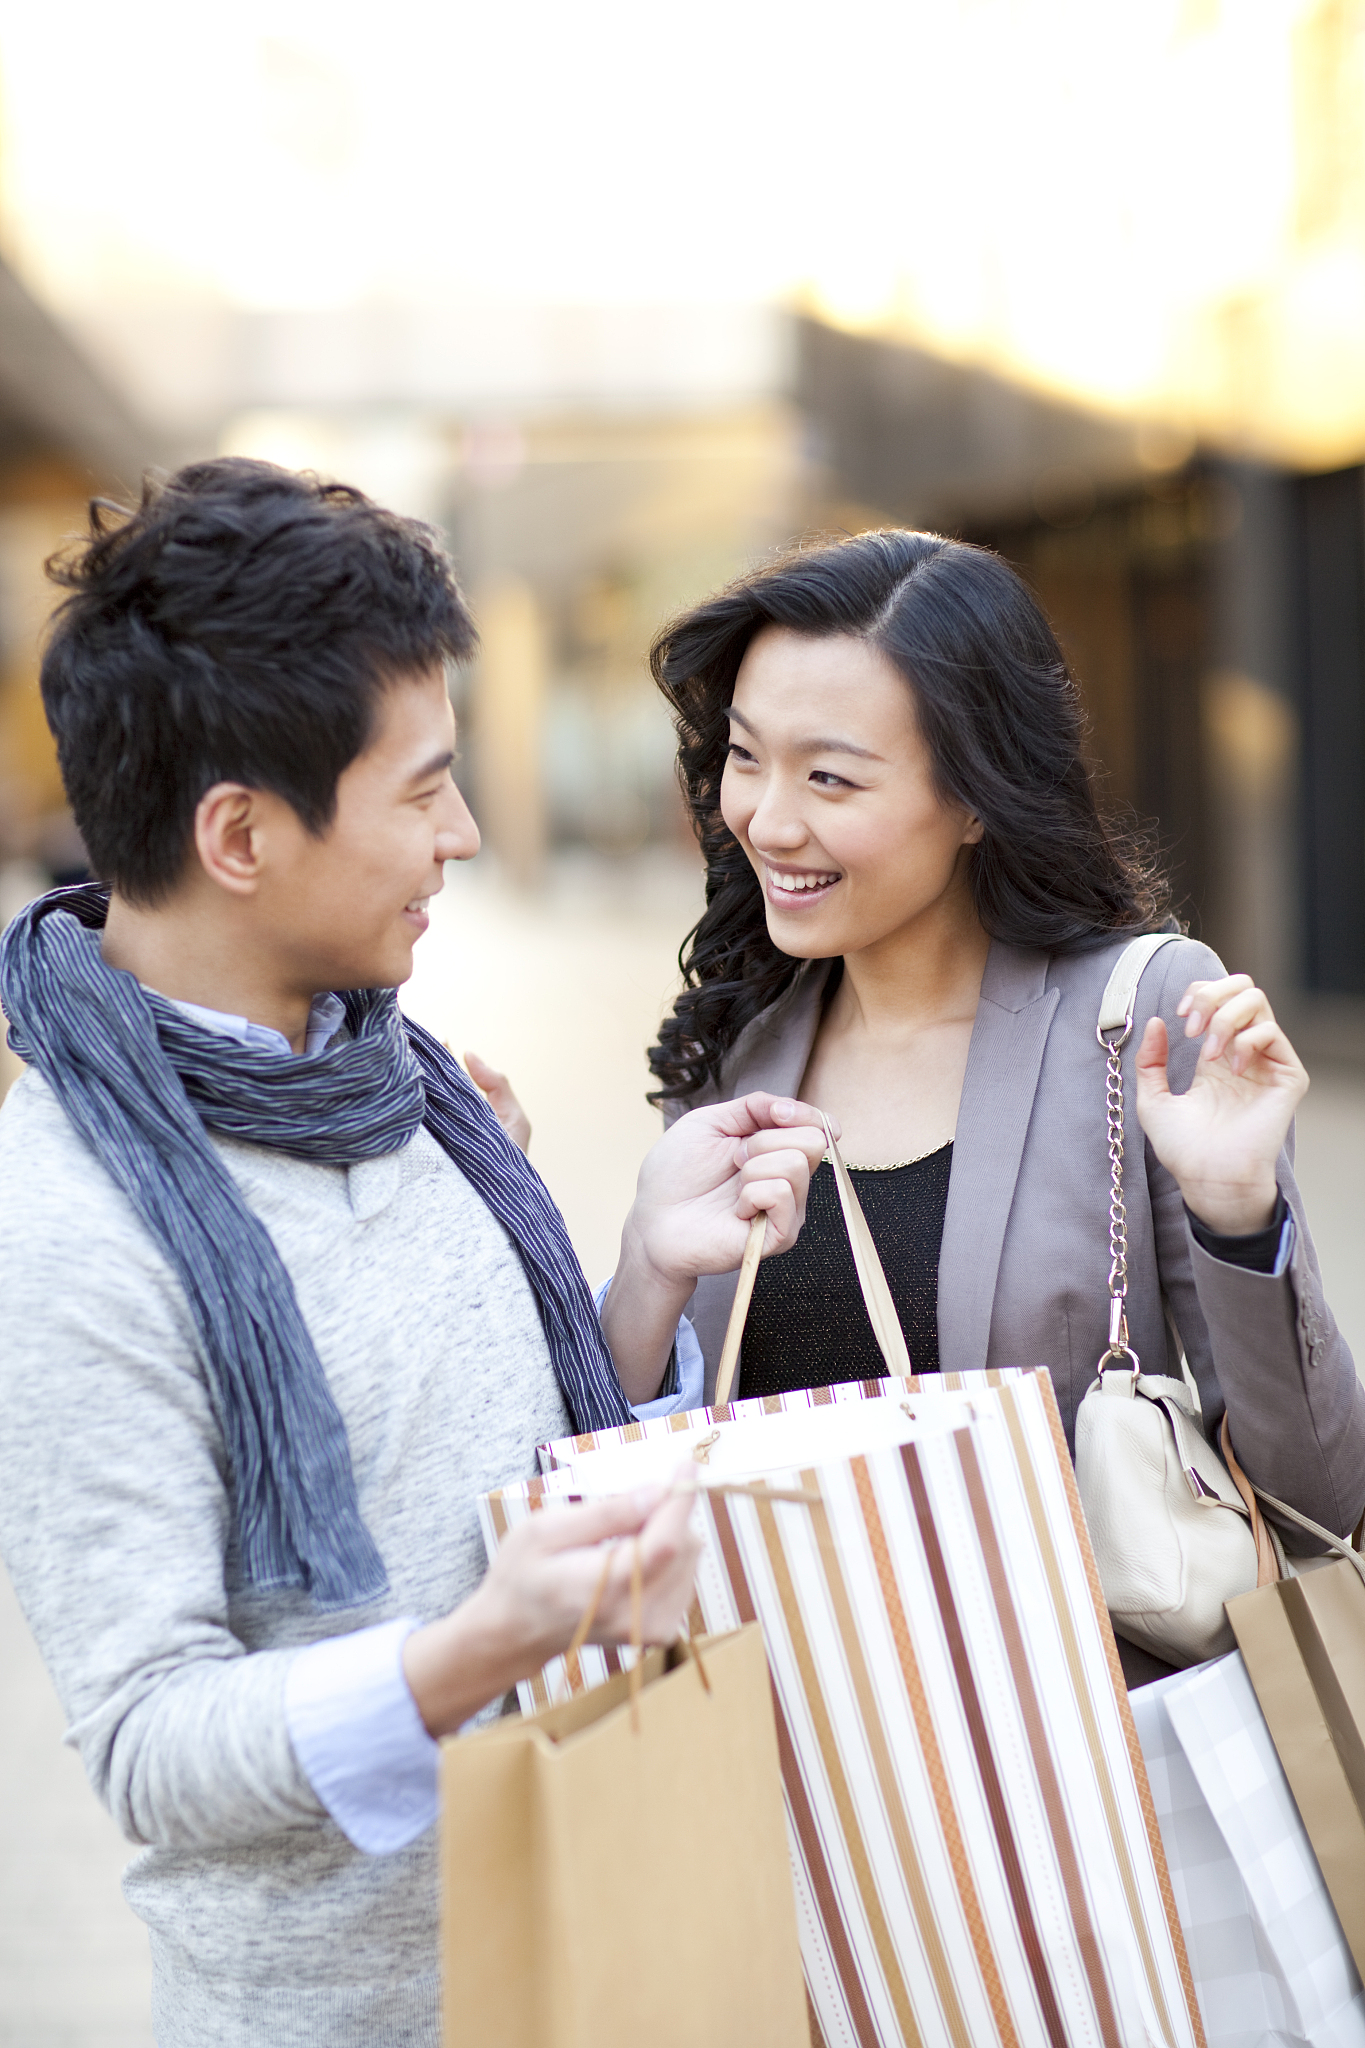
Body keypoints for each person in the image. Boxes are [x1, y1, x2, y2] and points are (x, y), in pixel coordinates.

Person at [0, 460, 829, 2048]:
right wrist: (475, 1652)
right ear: (240, 833)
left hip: (601, 1940)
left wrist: (644, 1273)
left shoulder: (397, 1076)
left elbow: (492, 1473)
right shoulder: (74, 1219)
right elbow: (151, 1741)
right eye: (421, 789)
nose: (462, 833)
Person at [640, 527, 1365, 1685]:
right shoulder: (739, 1039)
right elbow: (635, 1453)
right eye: (745, 756)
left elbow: (1319, 1498)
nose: (767, 819)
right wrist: (641, 1264)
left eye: (830, 777)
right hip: (789, 1739)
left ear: (977, 797)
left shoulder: (1138, 1017)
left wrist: (1238, 1212)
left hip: (1069, 1743)